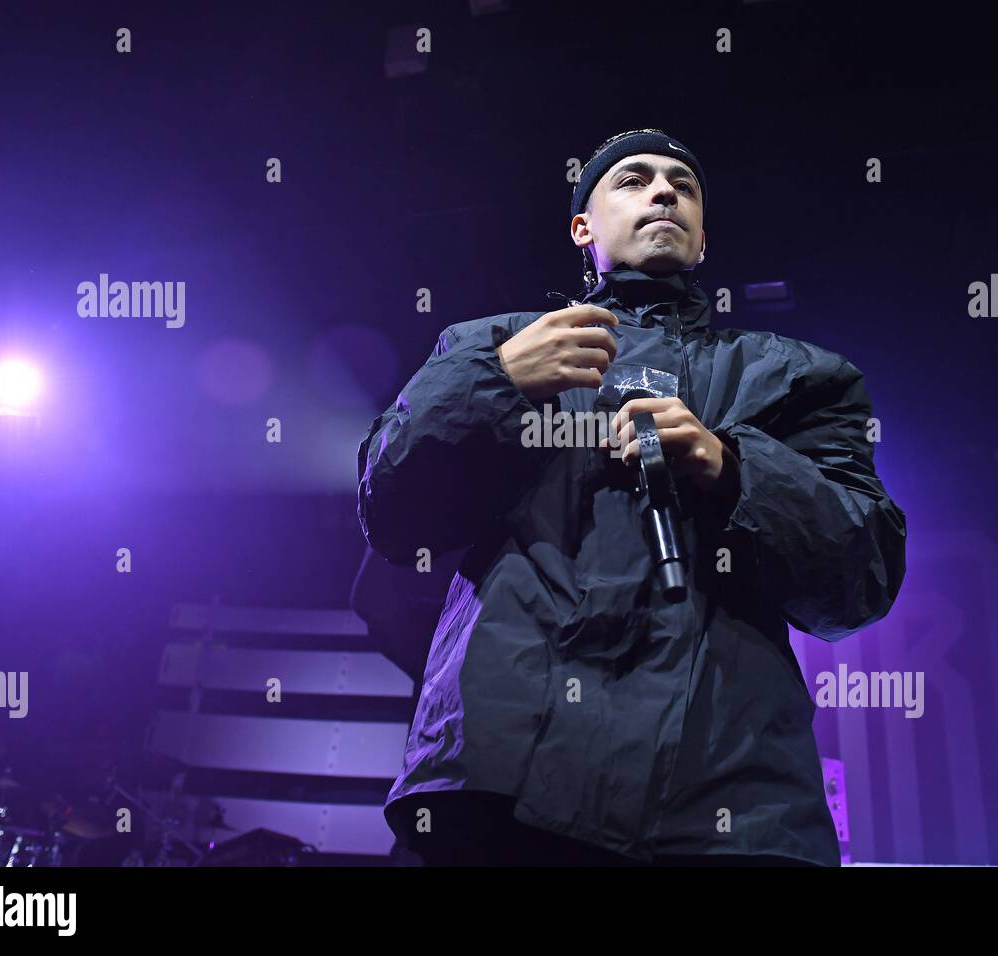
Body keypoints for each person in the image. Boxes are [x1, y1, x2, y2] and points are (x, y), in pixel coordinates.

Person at [357, 128, 907, 866]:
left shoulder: (802, 377)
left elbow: (860, 580)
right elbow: (393, 513)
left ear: (703, 237)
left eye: (683, 185)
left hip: (733, 803)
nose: (662, 192)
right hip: (502, 784)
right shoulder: (496, 344)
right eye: (633, 179)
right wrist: (495, 382)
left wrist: (732, 466)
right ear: (583, 228)